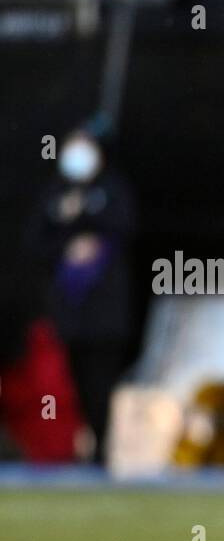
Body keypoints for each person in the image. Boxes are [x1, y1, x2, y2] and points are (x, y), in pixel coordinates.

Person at [27, 125, 138, 461]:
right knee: (61, 387)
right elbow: (35, 243)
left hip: (103, 317)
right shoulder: (55, 194)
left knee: (99, 386)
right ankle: (62, 451)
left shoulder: (112, 190)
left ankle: (102, 453)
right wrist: (66, 235)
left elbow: (126, 228)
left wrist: (90, 217)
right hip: (67, 314)